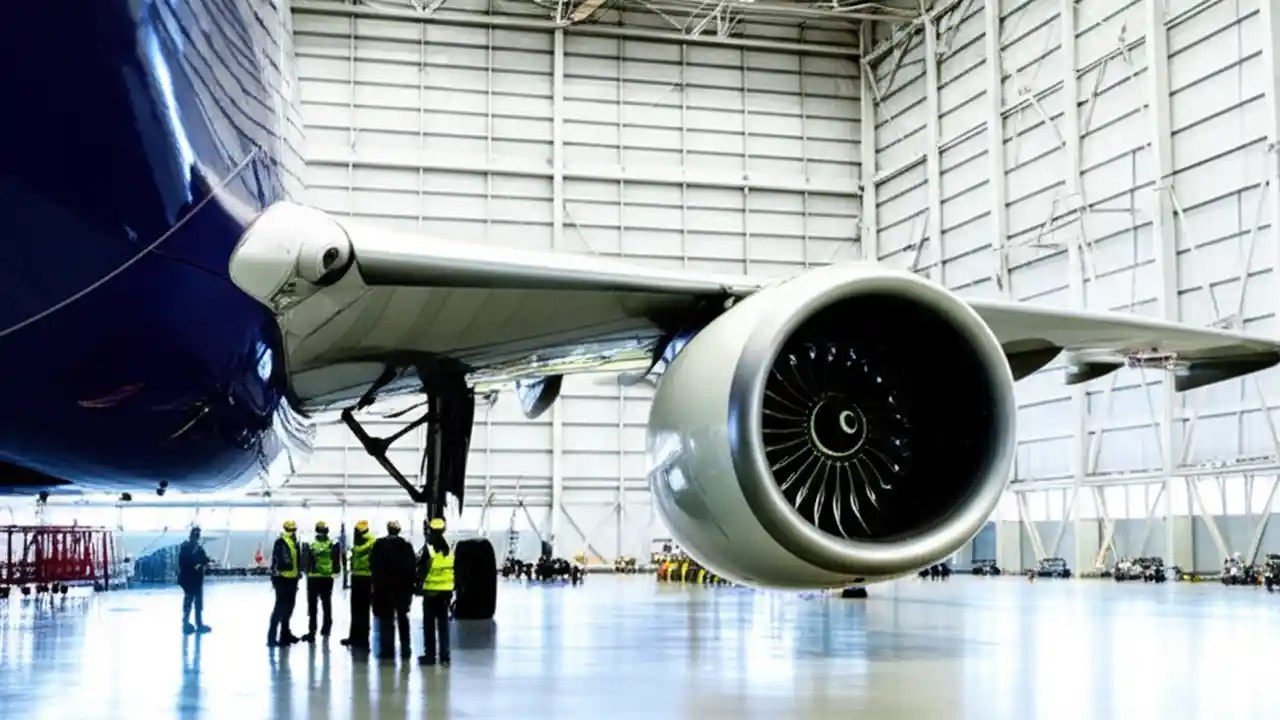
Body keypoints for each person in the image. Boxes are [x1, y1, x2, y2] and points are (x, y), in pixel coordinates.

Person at [370, 519, 416, 660]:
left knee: (386, 619)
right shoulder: (406, 546)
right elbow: (411, 567)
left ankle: (387, 650)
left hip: (383, 588)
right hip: (402, 588)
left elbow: (373, 566)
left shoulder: (379, 545)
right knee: (403, 618)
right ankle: (405, 648)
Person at [417, 517, 454, 667]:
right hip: (445, 592)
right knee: (443, 626)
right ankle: (445, 657)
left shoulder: (429, 549)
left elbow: (421, 568)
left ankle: (430, 656)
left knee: (429, 625)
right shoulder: (449, 548)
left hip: (431, 592)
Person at [301, 520, 340, 643]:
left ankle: (312, 632)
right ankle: (326, 629)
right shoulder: (332, 543)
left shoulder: (311, 544)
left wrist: (305, 572)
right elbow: (336, 560)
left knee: (313, 606)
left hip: (313, 577)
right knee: (326, 603)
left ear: (316, 530)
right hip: (327, 578)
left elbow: (305, 561)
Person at [341, 520, 375, 652]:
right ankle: (358, 638)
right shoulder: (370, 542)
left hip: (362, 578)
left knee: (358, 610)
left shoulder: (361, 542)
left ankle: (358, 639)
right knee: (360, 610)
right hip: (364, 577)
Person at [268, 520, 302, 647]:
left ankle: (285, 635)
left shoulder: (294, 543)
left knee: (288, 609)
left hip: (292, 580)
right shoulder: (281, 542)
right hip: (282, 580)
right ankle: (271, 638)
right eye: (291, 529)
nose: (293, 532)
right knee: (279, 609)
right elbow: (279, 562)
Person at [178, 526, 211, 634]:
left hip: (197, 580)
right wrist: (195, 565)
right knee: (188, 602)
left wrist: (205, 562)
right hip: (188, 580)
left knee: (198, 604)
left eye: (198, 535)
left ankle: (199, 624)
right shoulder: (185, 547)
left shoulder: (199, 548)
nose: (196, 537)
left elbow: (204, 559)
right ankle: (186, 624)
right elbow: (183, 562)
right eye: (195, 535)